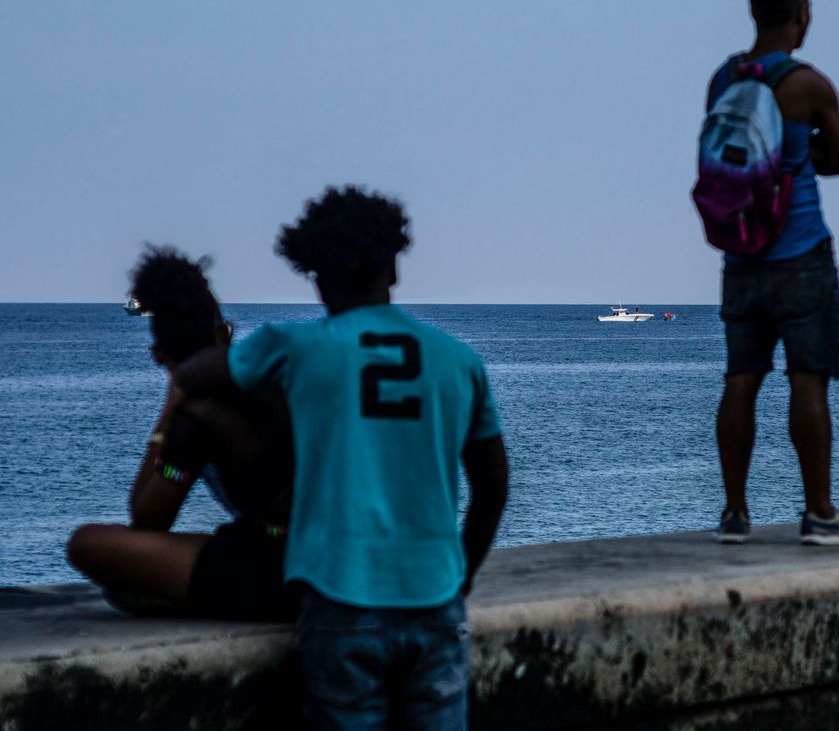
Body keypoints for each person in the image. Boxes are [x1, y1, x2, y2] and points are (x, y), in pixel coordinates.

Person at [169, 186, 509, 729]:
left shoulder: (293, 346)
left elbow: (191, 378)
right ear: (392, 269)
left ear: (316, 275)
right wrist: (461, 572)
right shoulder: (460, 361)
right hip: (435, 597)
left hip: (340, 596)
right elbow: (492, 486)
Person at [707, 0, 839, 546]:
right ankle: (820, 512)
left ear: (753, 10)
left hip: (740, 256)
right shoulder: (807, 85)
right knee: (809, 380)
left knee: (741, 379)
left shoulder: (723, 80)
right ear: (802, 12)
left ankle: (734, 513)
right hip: (800, 251)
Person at [66, 246, 296, 620]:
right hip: (326, 546)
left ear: (159, 354)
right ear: (224, 333)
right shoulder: (276, 379)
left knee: (88, 544)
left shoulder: (198, 418)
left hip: (283, 566)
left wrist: (171, 408)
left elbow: (148, 518)